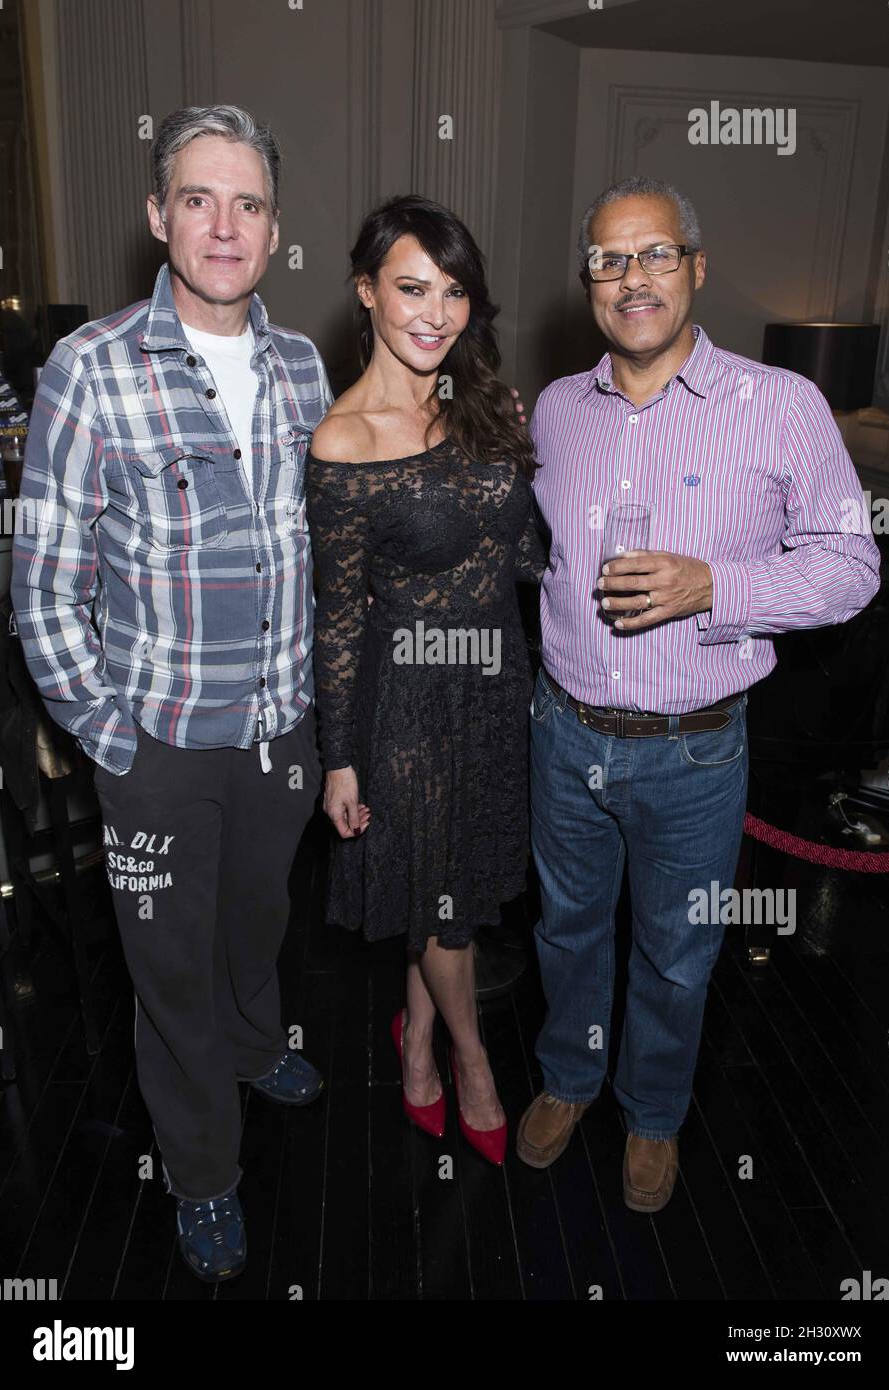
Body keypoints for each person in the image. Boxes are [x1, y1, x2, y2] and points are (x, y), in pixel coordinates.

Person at [517, 175, 880, 1211]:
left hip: (696, 749)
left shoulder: (782, 405)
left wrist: (716, 586)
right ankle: (571, 1077)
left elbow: (852, 568)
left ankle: (655, 1113)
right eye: (608, 259)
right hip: (563, 733)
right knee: (565, 931)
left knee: (678, 956)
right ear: (587, 279)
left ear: (696, 267)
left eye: (655, 255)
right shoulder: (556, 409)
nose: (632, 279)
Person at [11, 105, 329, 1283]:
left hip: (280, 729)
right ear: (158, 215)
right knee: (170, 971)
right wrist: (112, 737)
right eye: (197, 198)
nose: (223, 224)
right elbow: (43, 589)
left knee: (257, 925)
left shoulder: (302, 364)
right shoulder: (89, 367)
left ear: (274, 228)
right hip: (158, 740)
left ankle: (255, 1046)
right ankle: (202, 1172)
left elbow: (316, 549)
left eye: (247, 202)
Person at [305, 195, 547, 1167]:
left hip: (494, 684)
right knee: (441, 899)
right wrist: (340, 762)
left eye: (453, 291)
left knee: (437, 888)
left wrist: (518, 455)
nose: (435, 312)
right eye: (411, 286)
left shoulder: (474, 395)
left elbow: (522, 555)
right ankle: (471, 1057)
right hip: (406, 700)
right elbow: (338, 615)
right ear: (365, 291)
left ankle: (412, 1051)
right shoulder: (342, 443)